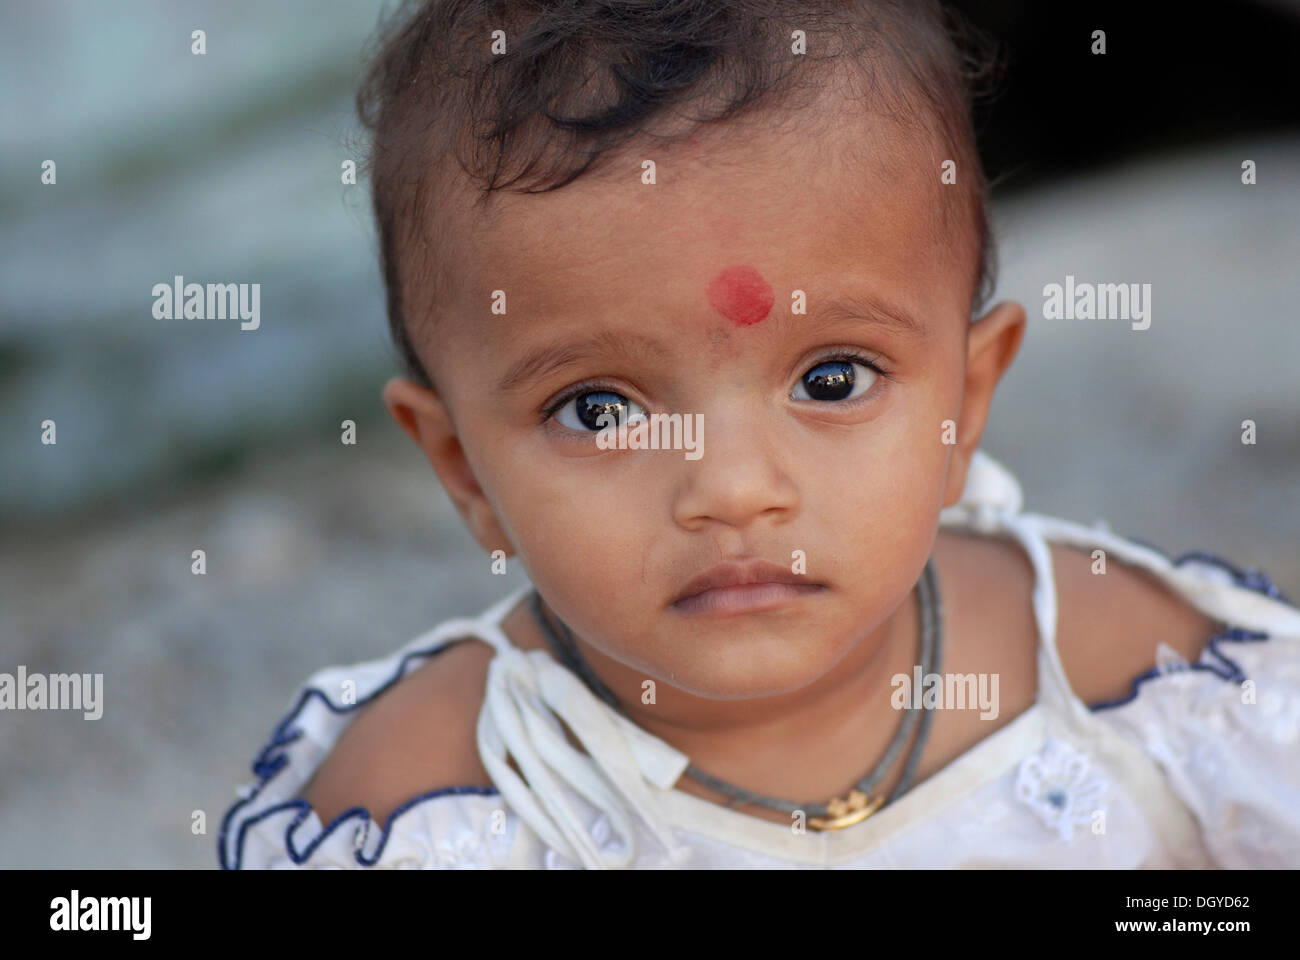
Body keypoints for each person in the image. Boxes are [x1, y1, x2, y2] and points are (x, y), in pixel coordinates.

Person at [219, 0, 1300, 869]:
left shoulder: (1119, 674)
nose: (733, 490)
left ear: (964, 405)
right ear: (464, 470)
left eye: (831, 380)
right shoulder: (439, 796)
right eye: (598, 410)